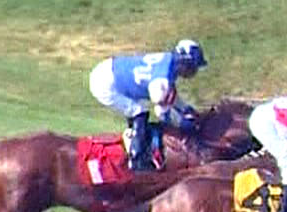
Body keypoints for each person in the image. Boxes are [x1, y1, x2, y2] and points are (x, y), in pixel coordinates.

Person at [86, 39, 207, 171]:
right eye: (192, 67)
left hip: (109, 69)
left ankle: (137, 141)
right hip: (105, 84)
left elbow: (171, 94)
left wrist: (186, 109)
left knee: (139, 111)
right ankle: (136, 159)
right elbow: (162, 113)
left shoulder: (168, 61)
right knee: (140, 112)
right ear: (184, 62)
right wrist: (183, 123)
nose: (193, 72)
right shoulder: (161, 80)